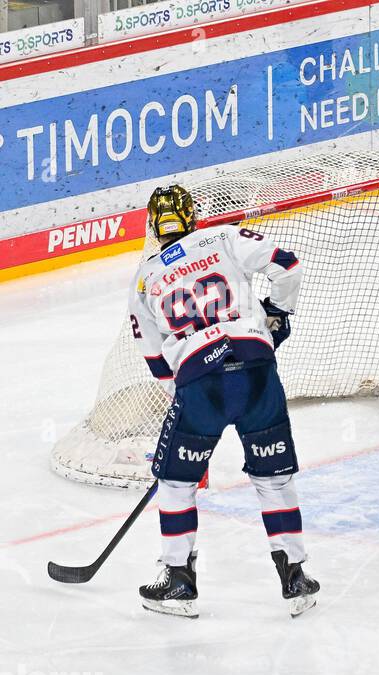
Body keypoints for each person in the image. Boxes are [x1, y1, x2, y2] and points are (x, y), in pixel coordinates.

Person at [130, 184, 320, 618]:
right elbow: (287, 266)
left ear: (155, 226)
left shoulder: (144, 278)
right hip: (256, 369)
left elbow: (156, 360)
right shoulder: (224, 237)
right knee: (274, 478)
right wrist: (276, 315)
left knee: (176, 483)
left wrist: (188, 405)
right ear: (192, 216)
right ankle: (295, 578)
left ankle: (179, 580)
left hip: (199, 382)